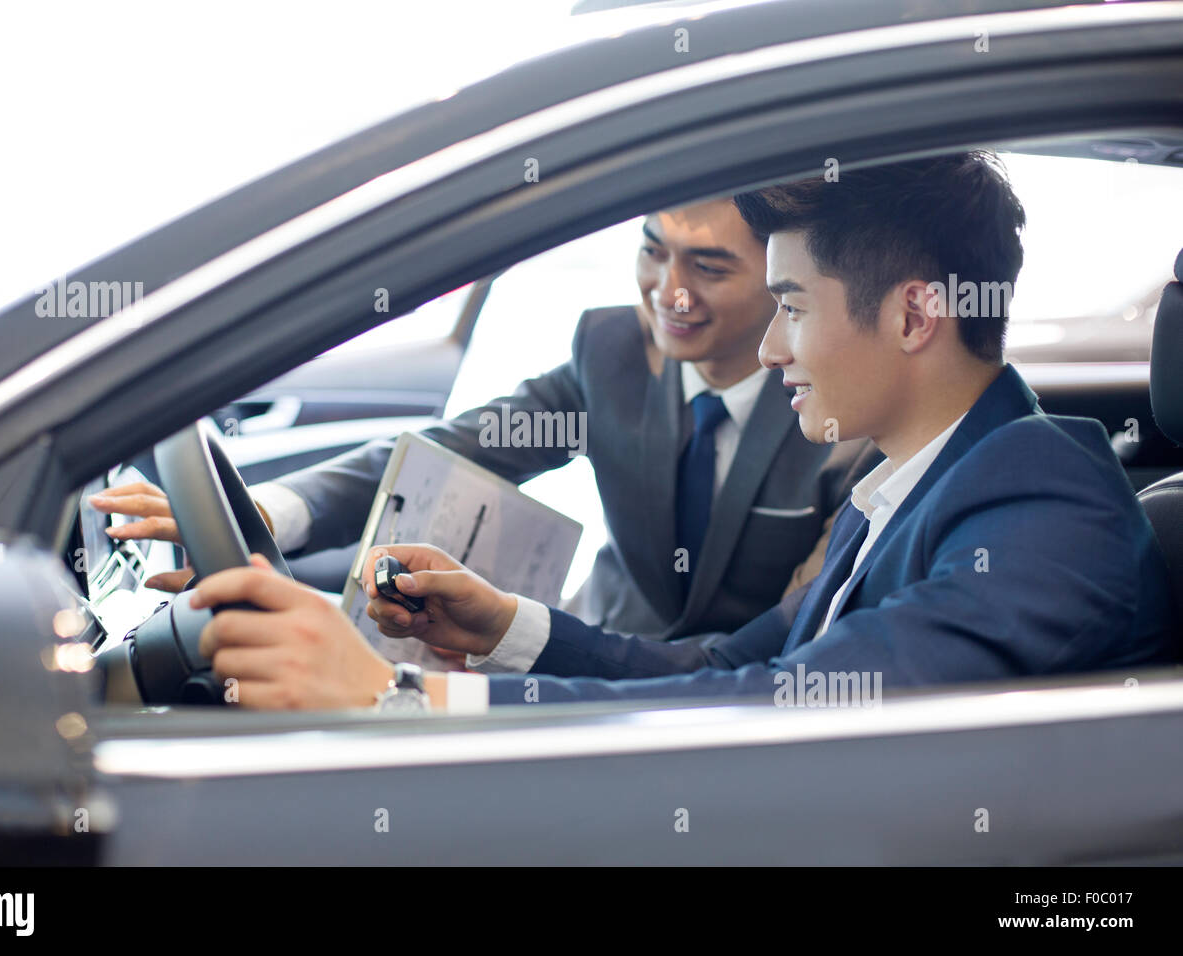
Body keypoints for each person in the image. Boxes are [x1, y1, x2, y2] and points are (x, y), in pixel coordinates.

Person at [182, 150, 1176, 712]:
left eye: (791, 305)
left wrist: (400, 698)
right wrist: (506, 628)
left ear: (915, 315)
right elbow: (723, 667)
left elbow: (785, 709)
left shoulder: (1040, 503)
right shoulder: (923, 481)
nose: (774, 349)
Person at [92, 198, 876, 643]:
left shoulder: (844, 416)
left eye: (708, 267)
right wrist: (265, 511)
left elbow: (785, 641)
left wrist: (522, 638)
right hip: (588, 639)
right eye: (652, 253)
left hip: (706, 701)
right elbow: (455, 448)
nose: (667, 292)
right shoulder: (612, 354)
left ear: (780, 280)